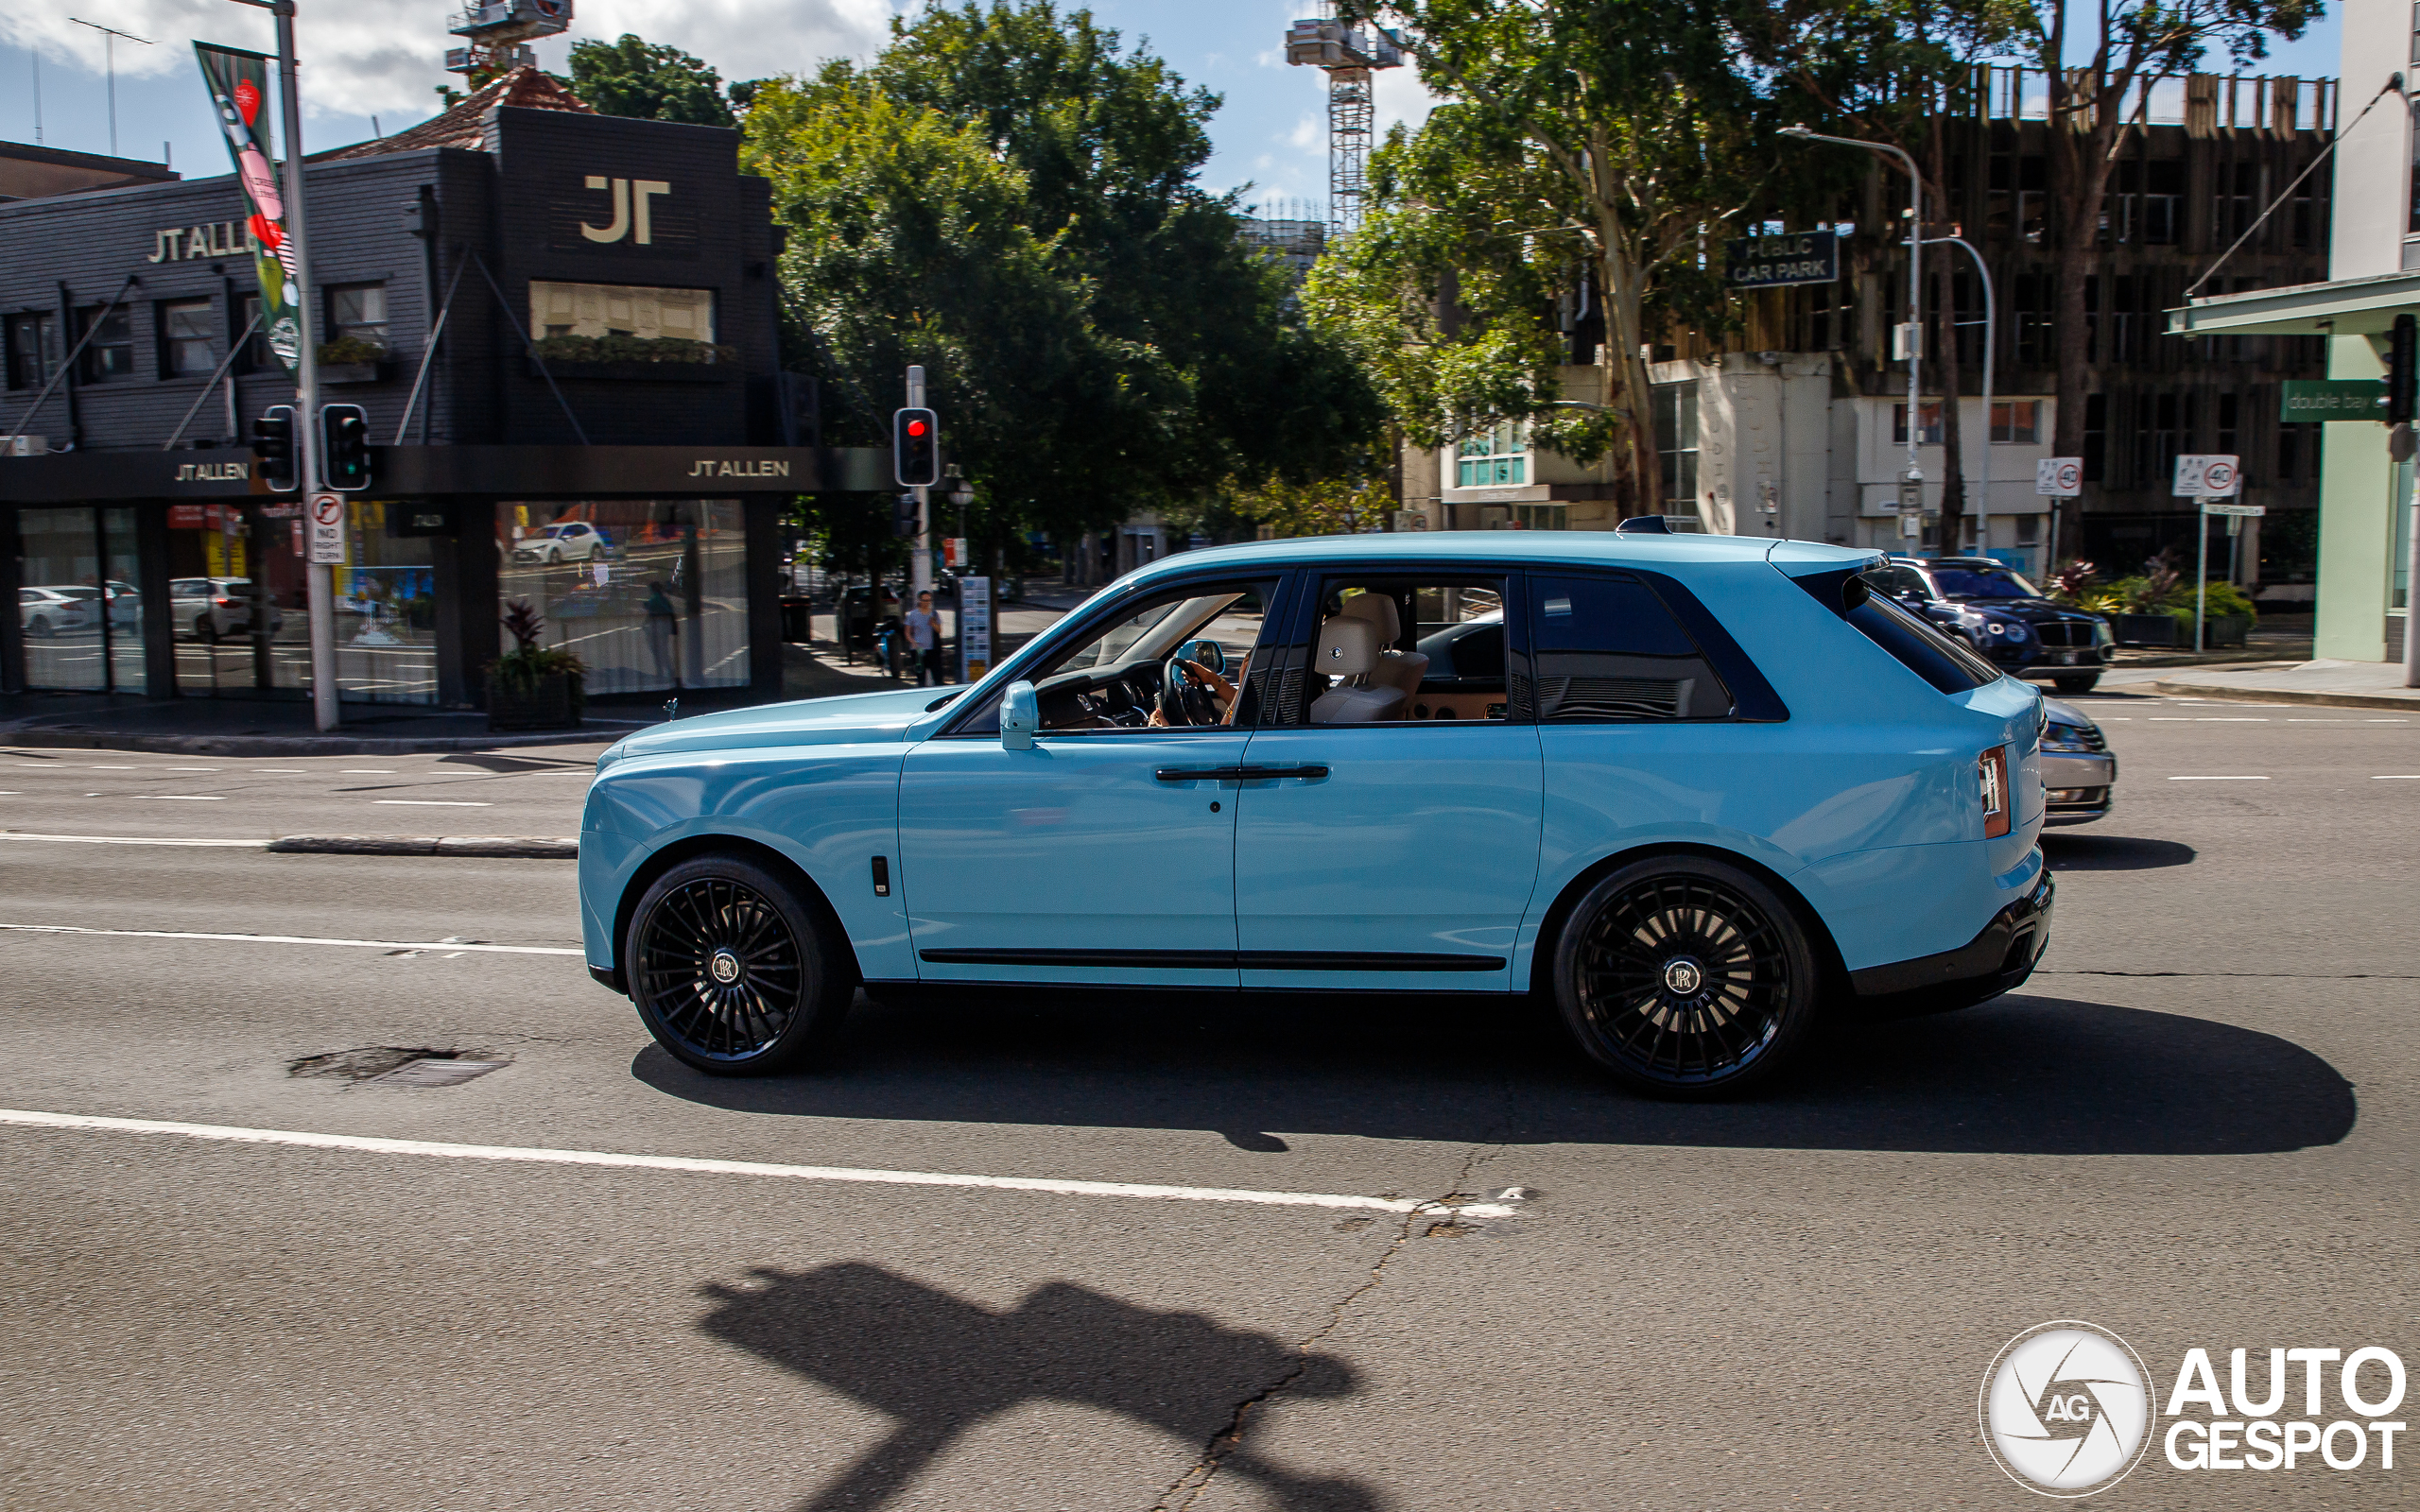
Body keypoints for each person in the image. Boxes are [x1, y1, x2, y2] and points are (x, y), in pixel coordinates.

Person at [643, 579, 680, 687]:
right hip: (663, 627)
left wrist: (647, 605)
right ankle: (667, 671)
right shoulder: (663, 599)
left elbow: (652, 610)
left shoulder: (656, 599)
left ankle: (663, 672)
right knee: (662, 649)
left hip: (658, 627)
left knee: (658, 650)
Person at [905, 590, 945, 686]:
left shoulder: (934, 614)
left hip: (933, 649)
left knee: (937, 676)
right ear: (919, 600)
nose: (926, 603)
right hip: (919, 650)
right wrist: (912, 641)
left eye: (928, 600)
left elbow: (939, 630)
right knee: (921, 677)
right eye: (924, 600)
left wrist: (934, 624)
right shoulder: (912, 615)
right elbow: (907, 632)